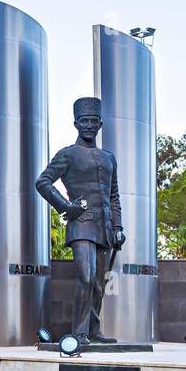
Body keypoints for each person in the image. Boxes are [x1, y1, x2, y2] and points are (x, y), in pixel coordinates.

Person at [35, 96, 125, 345]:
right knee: (85, 276)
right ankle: (79, 332)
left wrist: (117, 226)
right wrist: (66, 206)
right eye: (84, 121)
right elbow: (42, 182)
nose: (88, 125)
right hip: (81, 224)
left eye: (93, 121)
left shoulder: (109, 158)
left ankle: (94, 330)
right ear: (76, 124)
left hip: (104, 228)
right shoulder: (67, 154)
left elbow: (114, 195)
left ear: (100, 124)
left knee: (98, 282)